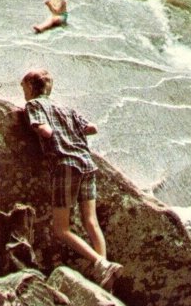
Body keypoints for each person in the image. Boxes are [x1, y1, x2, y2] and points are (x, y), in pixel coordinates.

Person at [21, 68, 123, 291]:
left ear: (30, 87)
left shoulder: (34, 106)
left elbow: (46, 132)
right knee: (91, 221)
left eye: (23, 89)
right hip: (87, 163)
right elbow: (91, 128)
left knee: (61, 229)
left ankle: (101, 264)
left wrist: (38, 128)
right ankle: (105, 275)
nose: (24, 94)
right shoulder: (65, 107)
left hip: (65, 165)